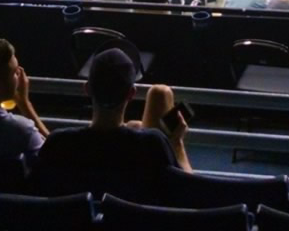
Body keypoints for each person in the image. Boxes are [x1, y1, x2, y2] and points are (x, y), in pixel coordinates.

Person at [34, 49, 188, 193]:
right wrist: (177, 144)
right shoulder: (152, 144)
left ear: (87, 89)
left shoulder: (58, 144)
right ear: (131, 93)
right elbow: (189, 192)